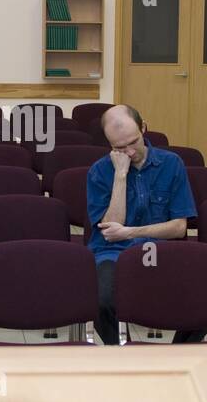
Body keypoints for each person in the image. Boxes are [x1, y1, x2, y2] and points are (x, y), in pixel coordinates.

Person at [85, 105, 199, 345]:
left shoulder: (171, 164)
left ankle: (178, 357)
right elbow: (110, 229)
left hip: (163, 250)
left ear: (144, 128)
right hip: (113, 254)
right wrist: (120, 176)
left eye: (133, 142)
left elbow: (179, 227)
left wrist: (130, 232)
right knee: (100, 300)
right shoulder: (99, 171)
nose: (129, 151)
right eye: (119, 147)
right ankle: (122, 356)